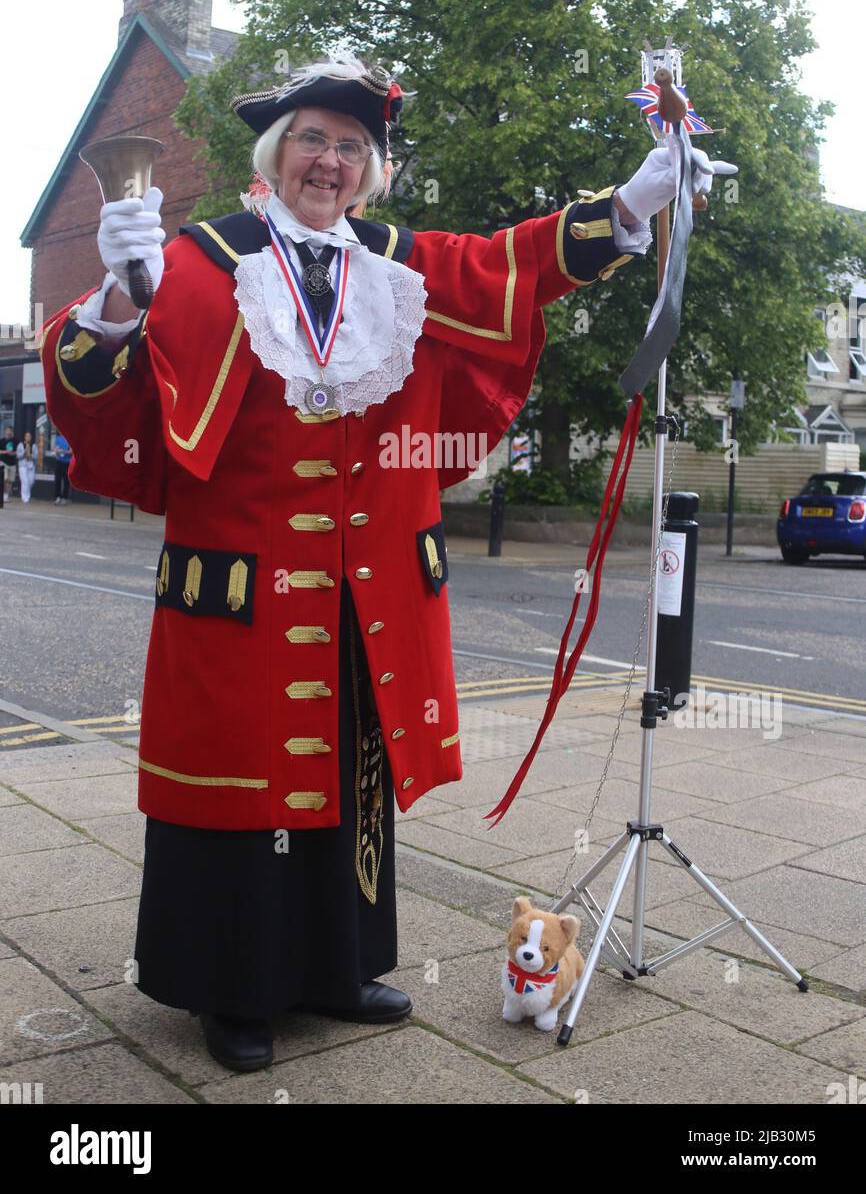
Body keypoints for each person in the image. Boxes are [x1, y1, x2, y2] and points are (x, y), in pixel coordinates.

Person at [41, 54, 734, 1074]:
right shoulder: (199, 260)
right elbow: (100, 404)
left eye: (352, 147)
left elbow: (510, 263)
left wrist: (631, 199)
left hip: (365, 591)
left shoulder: (395, 264)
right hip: (236, 595)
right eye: (313, 140)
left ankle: (338, 966)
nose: (331, 160)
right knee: (241, 797)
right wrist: (110, 292)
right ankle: (233, 991)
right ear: (275, 157)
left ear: (372, 171)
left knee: (348, 782)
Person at [16, 432, 37, 503]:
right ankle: (25, 497)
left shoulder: (33, 445)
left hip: (31, 465)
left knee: (31, 481)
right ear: (24, 437)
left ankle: (27, 494)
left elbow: (36, 456)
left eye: (29, 436)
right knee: (25, 481)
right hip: (23, 465)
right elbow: (18, 456)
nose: (28, 437)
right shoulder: (20, 445)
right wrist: (24, 452)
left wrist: (31, 456)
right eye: (27, 436)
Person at [53, 432, 72, 504]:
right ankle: (57, 497)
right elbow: (55, 449)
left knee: (66, 480)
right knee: (57, 480)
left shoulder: (70, 439)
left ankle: (65, 497)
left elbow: (71, 451)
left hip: (67, 463)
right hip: (59, 462)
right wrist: (57, 451)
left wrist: (63, 451)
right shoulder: (58, 439)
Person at [2, 427, 17, 500]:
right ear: (5, 432)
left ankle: (6, 495)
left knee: (10, 480)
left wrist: (13, 453)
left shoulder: (15, 441)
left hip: (12, 463)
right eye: (7, 430)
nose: (8, 432)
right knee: (5, 478)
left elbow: (18, 451)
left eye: (10, 431)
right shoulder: (1, 440)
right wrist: (5, 452)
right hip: (3, 462)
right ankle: (4, 493)